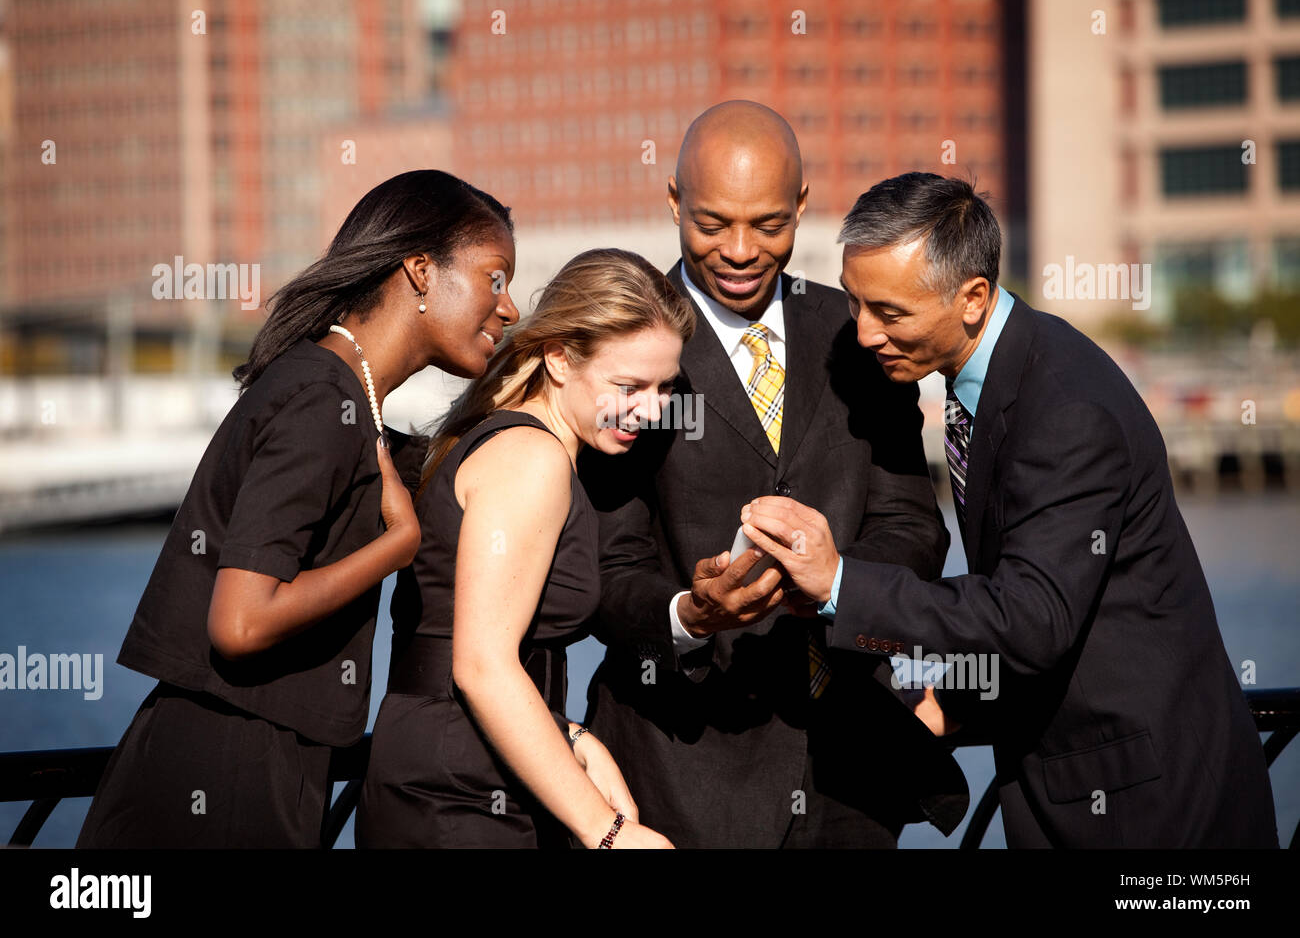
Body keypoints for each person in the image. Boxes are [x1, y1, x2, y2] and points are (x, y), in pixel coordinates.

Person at [742, 171, 1280, 848]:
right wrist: (952, 690)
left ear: (972, 299)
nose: (865, 333)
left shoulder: (1066, 410)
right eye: (854, 303)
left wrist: (840, 583)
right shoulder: (1004, 373)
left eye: (889, 312)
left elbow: (1032, 619)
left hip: (1151, 811)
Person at [77, 170, 521, 848]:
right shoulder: (323, 400)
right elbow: (241, 623)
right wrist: (392, 550)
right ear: (421, 271)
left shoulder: (344, 400)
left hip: (253, 761)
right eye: (495, 279)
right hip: (228, 774)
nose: (510, 307)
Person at [575, 101, 969, 848]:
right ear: (673, 203)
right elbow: (608, 566)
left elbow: (913, 523)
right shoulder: (623, 351)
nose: (741, 250)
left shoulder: (860, 336)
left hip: (848, 778)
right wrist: (691, 613)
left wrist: (836, 584)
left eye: (768, 224)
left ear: (802, 206)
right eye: (712, 223)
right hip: (678, 777)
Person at [356, 248, 690, 849]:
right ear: (559, 358)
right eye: (629, 385)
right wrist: (608, 832)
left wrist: (572, 738)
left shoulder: (510, 442)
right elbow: (481, 666)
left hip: (453, 764)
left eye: (665, 386)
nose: (653, 409)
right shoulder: (531, 459)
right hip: (457, 788)